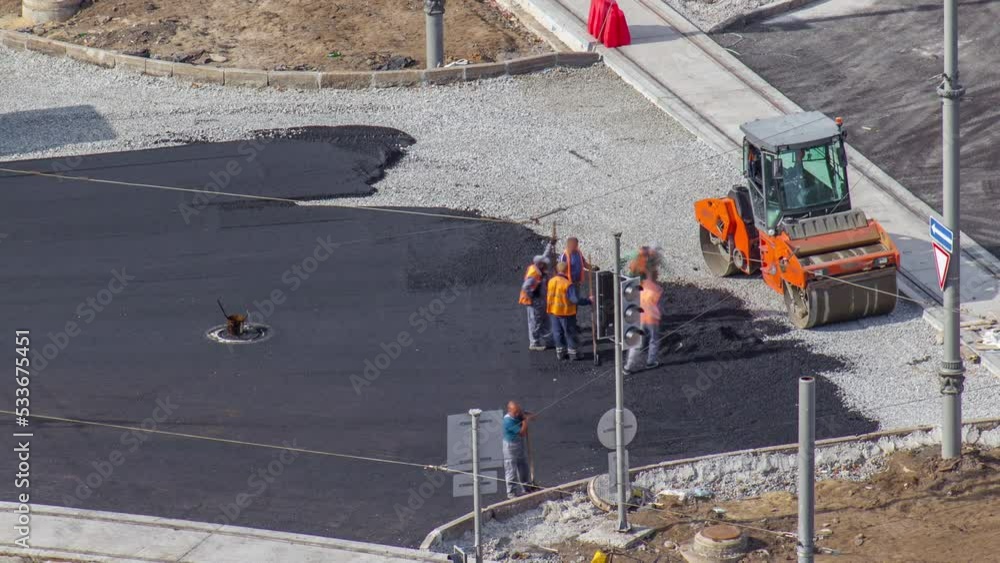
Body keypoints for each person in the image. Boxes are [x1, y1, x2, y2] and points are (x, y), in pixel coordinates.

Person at [547, 261, 591, 361]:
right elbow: (575, 300)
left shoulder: (551, 281)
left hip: (553, 311)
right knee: (570, 332)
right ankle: (573, 354)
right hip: (566, 313)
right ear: (567, 270)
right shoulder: (567, 284)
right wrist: (588, 300)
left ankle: (560, 353)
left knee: (558, 333)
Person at [625, 275, 663, 373]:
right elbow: (658, 303)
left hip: (640, 316)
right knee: (654, 339)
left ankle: (628, 366)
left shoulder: (641, 286)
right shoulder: (656, 288)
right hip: (652, 318)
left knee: (637, 341)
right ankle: (651, 361)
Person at [518, 253, 552, 351]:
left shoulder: (536, 268)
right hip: (534, 303)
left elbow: (544, 255)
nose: (547, 266)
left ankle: (549, 341)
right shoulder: (534, 274)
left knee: (545, 321)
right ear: (540, 264)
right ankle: (534, 343)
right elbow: (525, 286)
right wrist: (533, 295)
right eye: (545, 264)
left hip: (541, 301)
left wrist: (550, 245)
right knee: (535, 323)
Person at [502, 401, 534, 499]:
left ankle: (526, 488)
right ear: (510, 411)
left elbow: (532, 416)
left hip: (519, 444)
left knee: (523, 466)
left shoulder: (518, 413)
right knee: (511, 469)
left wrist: (528, 415)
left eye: (518, 412)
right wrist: (525, 420)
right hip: (510, 447)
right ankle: (511, 493)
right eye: (515, 413)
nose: (517, 414)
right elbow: (522, 433)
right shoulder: (507, 421)